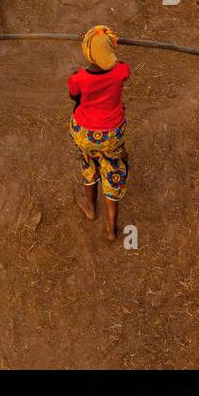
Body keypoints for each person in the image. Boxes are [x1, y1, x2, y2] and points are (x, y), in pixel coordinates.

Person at [68, 26, 130, 242]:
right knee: (112, 170)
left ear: (88, 54)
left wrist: (89, 43)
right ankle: (111, 229)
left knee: (89, 164)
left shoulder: (78, 77)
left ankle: (91, 209)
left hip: (85, 133)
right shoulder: (121, 71)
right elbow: (119, 65)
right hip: (112, 135)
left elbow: (74, 96)